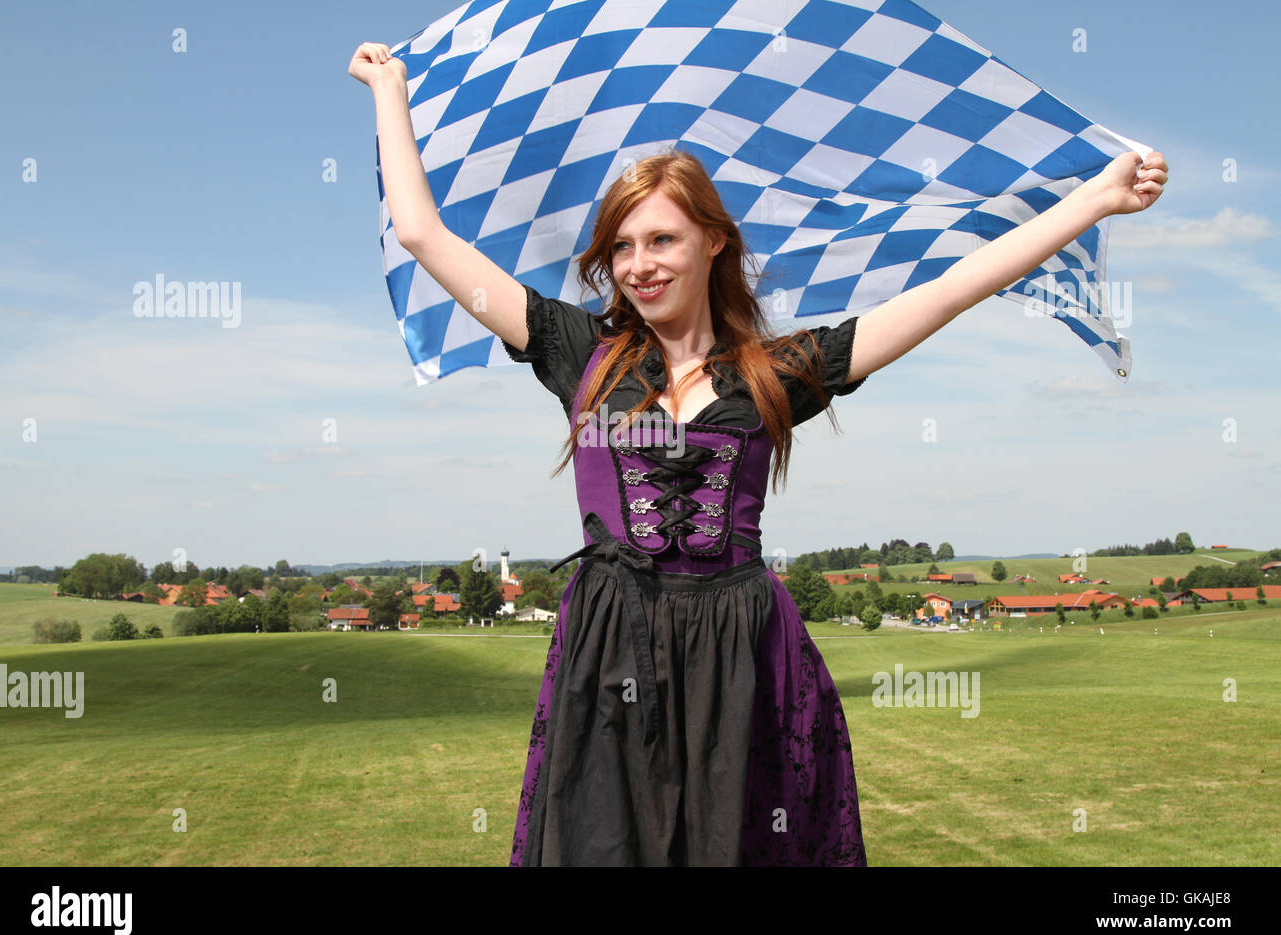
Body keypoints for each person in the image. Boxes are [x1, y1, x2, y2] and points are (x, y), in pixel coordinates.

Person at [349, 41, 1168, 867]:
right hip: (609, 642)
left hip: (738, 646)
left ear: (712, 242)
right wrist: (391, 92)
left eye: (662, 240)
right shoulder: (576, 350)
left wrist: (1093, 200)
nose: (639, 265)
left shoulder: (775, 375)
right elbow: (421, 232)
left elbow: (952, 288)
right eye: (623, 247)